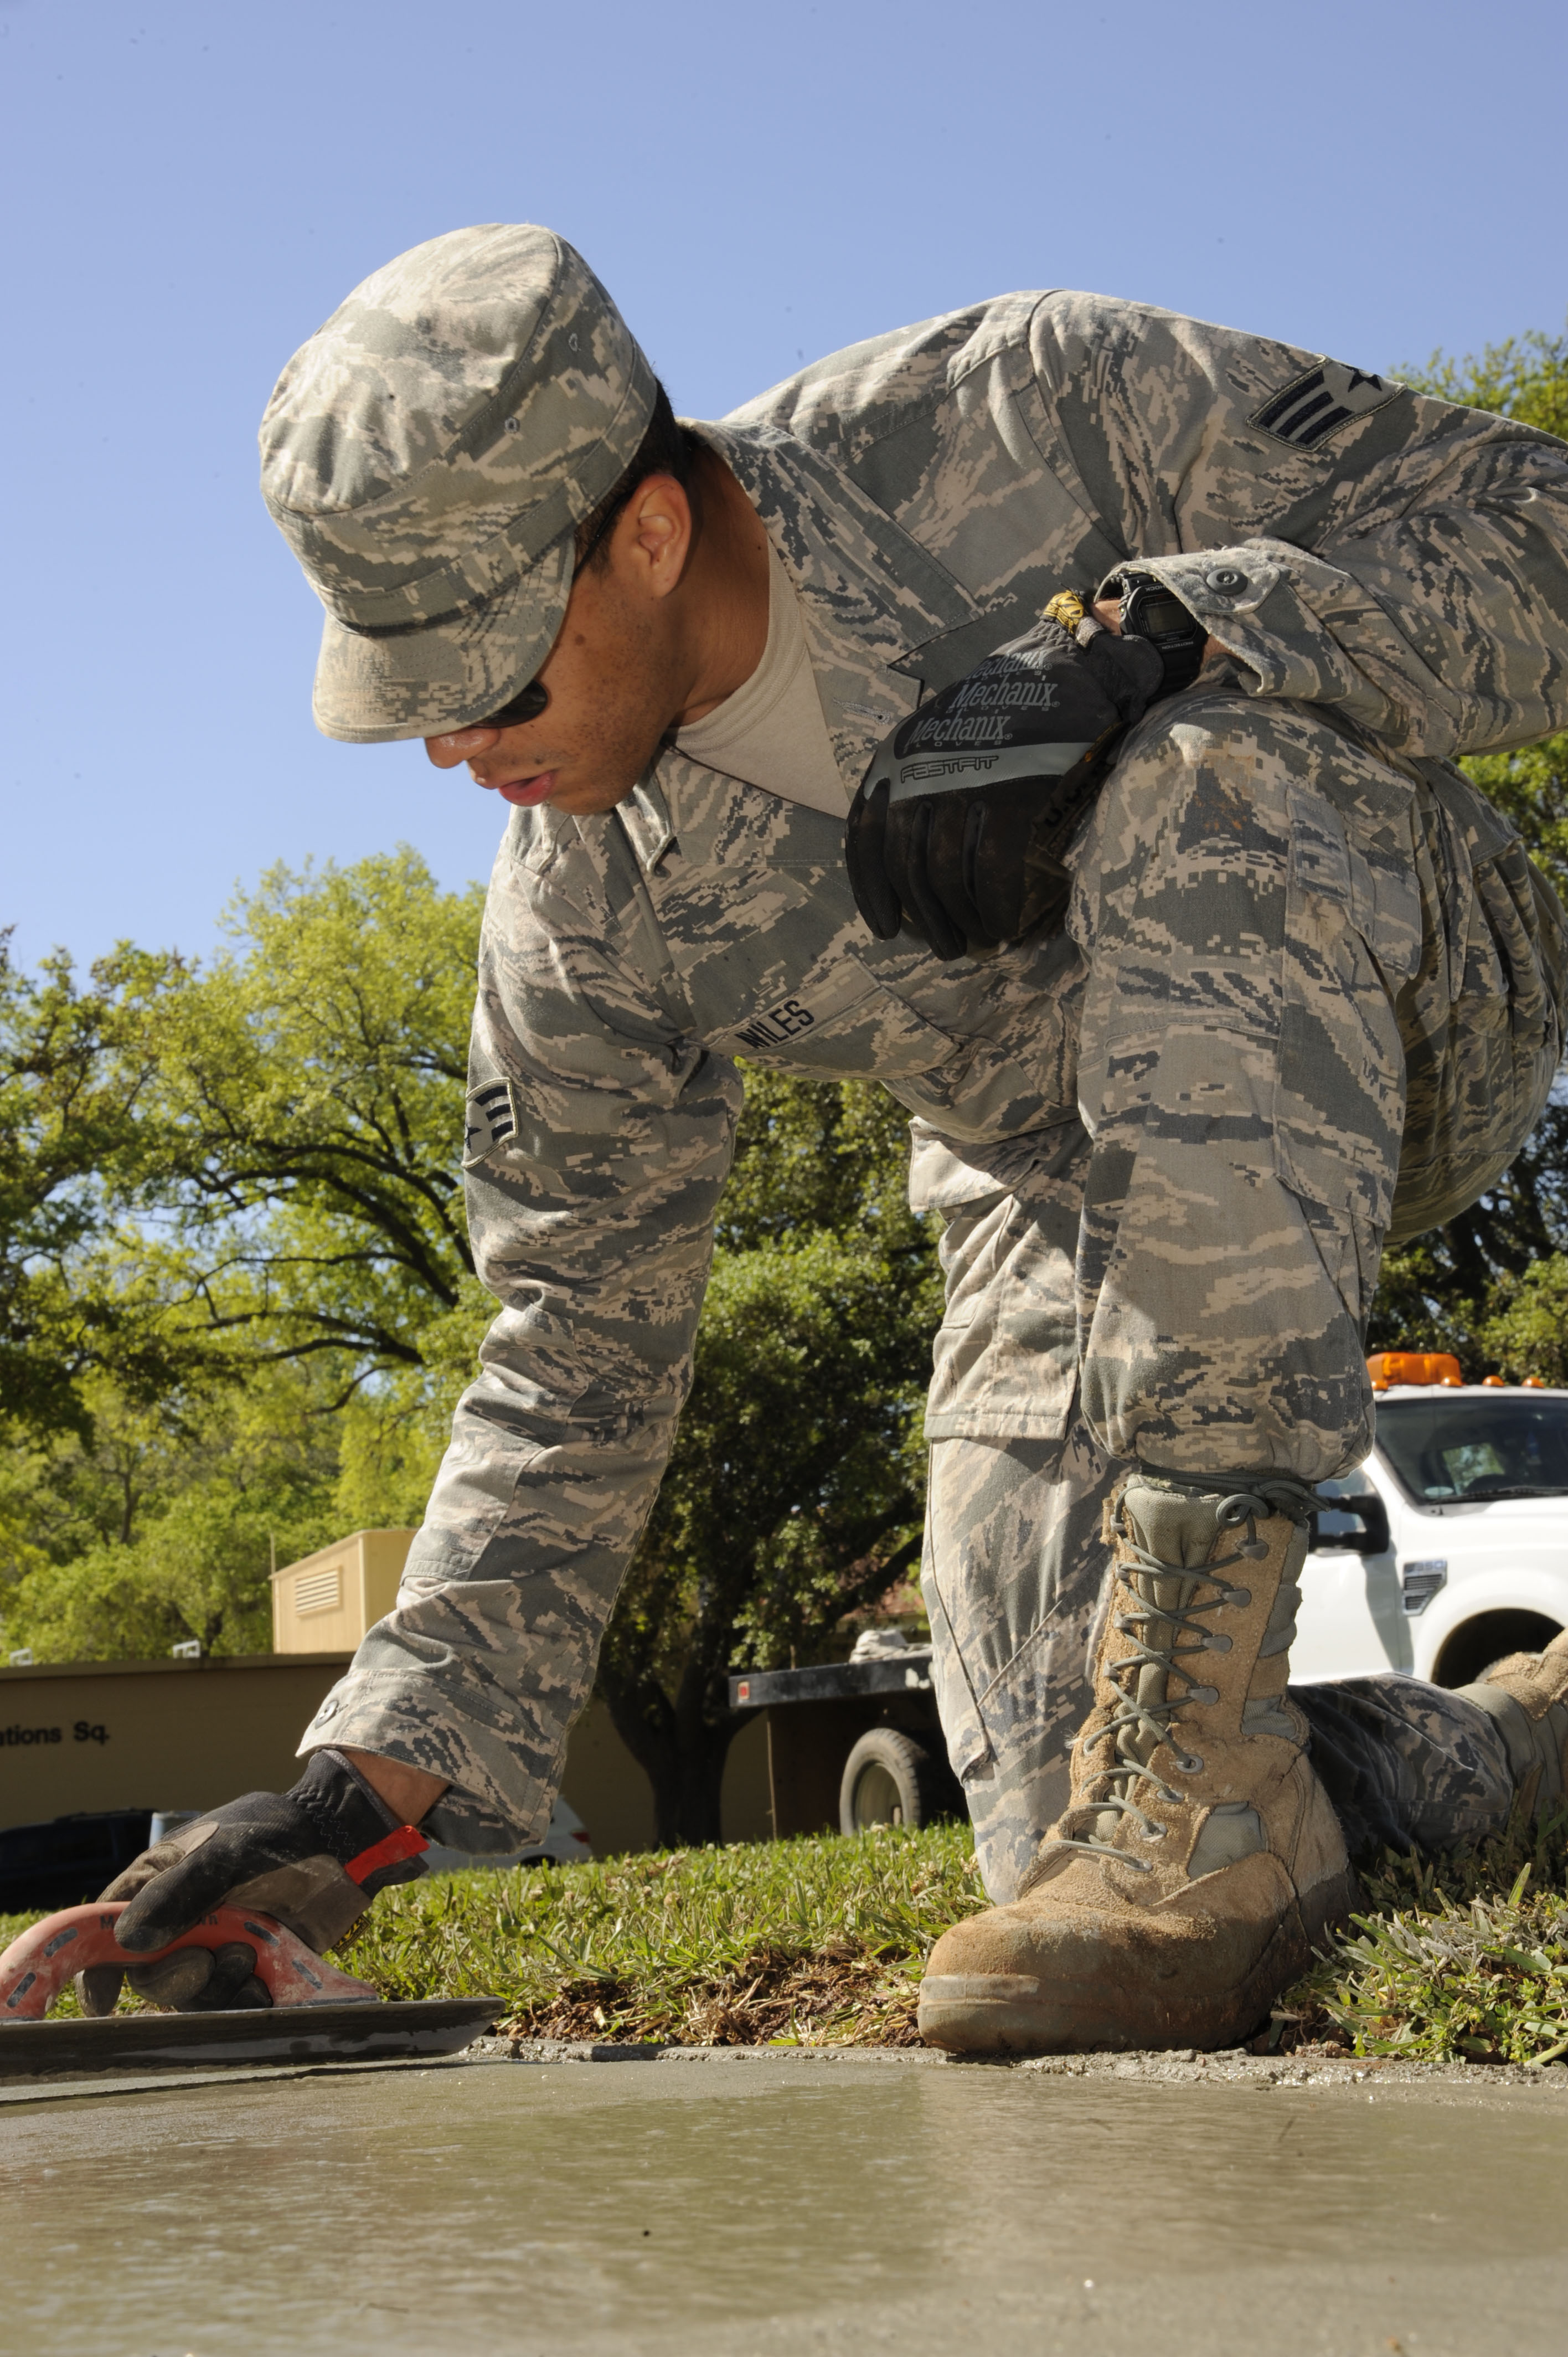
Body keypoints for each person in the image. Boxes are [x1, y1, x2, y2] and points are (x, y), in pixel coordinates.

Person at [84, 223, 1568, 2054]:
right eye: (411, 697)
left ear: (649, 534)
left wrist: (1162, 638)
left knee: (1202, 772)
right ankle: (1478, 1757)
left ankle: (1199, 1776)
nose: (454, 745)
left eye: (492, 675)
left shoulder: (1030, 408)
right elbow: (569, 1359)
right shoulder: (584, 908)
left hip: (1407, 995)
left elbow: (1547, 536)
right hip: (1058, 1183)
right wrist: (353, 1796)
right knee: (1058, 1842)